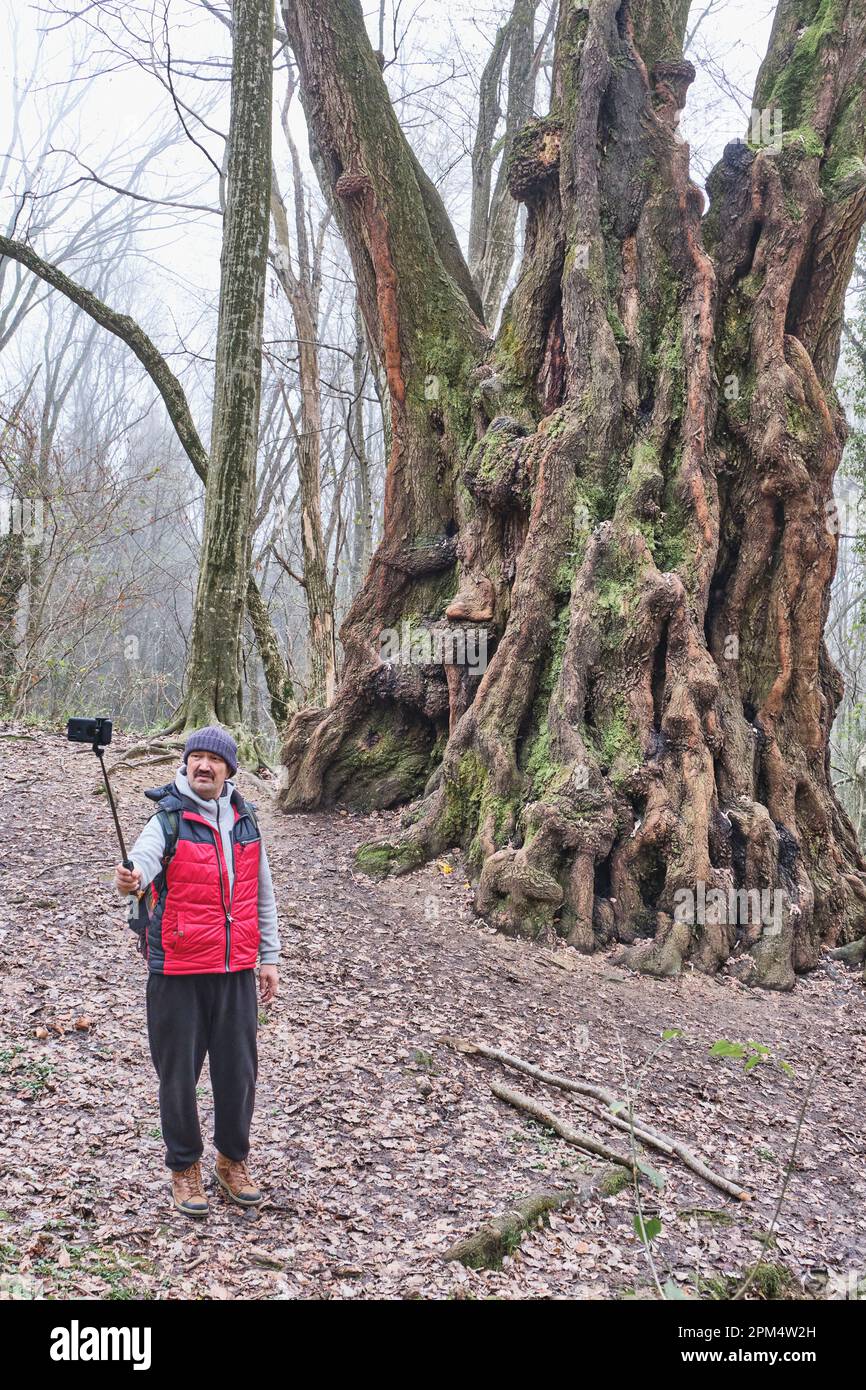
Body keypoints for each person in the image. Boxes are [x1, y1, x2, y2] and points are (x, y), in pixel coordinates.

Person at [115, 725, 280, 1219]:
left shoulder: (245, 818)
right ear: (185, 764)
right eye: (196, 758)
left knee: (239, 1073)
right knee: (178, 1076)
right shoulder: (166, 818)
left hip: (234, 969)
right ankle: (184, 1168)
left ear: (229, 769)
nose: (203, 766)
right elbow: (140, 861)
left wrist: (268, 957)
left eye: (214, 759)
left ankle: (232, 1161)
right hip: (179, 970)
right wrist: (133, 876)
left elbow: (262, 893)